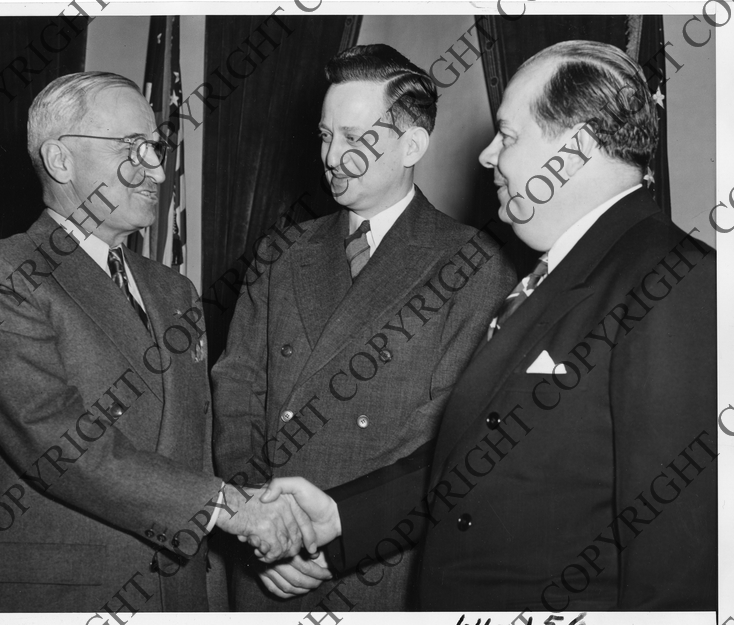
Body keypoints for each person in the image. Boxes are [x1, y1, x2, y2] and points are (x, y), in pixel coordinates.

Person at [262, 40, 716, 611]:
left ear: (572, 150)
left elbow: (680, 556)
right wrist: (344, 515)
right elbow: (485, 456)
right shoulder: (561, 271)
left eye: (509, 135)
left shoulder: (672, 279)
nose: (486, 155)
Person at [0, 71, 314, 613]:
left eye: (157, 148)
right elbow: (60, 444)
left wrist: (256, 510)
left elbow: (195, 447)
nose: (159, 169)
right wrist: (230, 510)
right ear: (60, 160)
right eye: (134, 148)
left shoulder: (174, 290)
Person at [211, 44, 516, 611]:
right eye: (326, 136)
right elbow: (237, 391)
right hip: (265, 569)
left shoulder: (474, 266)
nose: (331, 155)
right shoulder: (282, 252)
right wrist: (257, 519)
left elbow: (442, 439)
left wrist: (336, 538)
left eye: (354, 138)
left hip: (374, 572)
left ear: (412, 144)